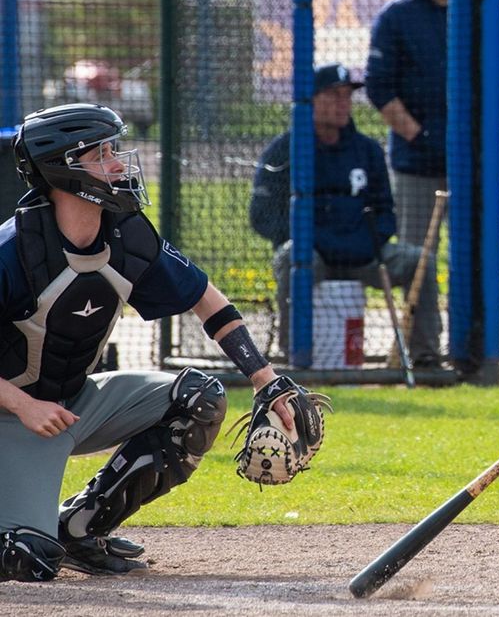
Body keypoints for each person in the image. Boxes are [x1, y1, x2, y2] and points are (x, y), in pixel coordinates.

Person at [0, 103, 299, 581]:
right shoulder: (14, 251)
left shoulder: (127, 236)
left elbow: (207, 299)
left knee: (199, 398)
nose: (118, 164)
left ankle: (80, 526)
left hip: (73, 403)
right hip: (11, 417)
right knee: (29, 561)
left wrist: (266, 380)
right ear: (62, 169)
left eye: (114, 150)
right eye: (101, 153)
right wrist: (23, 406)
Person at [250, 62, 441, 367]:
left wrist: (363, 245)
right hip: (313, 255)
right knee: (292, 258)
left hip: (363, 256)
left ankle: (425, 356)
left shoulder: (366, 150)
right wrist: (313, 239)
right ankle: (295, 356)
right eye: (333, 96)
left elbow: (385, 216)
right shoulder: (284, 150)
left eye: (347, 96)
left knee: (420, 261)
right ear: (310, 100)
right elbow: (261, 216)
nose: (343, 103)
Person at [364, 0, 499, 252]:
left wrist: (482, 133)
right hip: (417, 162)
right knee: (417, 256)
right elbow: (378, 87)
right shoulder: (396, 15)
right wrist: (420, 137)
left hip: (472, 163)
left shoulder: (483, 11)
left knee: (477, 252)